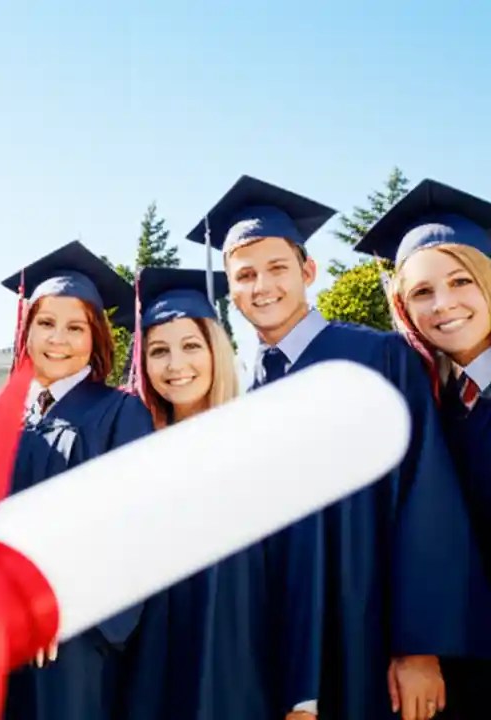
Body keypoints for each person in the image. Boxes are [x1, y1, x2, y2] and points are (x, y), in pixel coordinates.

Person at [186, 174, 476, 720]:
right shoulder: (236, 390)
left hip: (362, 629)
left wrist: (418, 644)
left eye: (277, 268)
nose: (262, 286)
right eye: (244, 275)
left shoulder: (380, 357)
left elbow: (424, 495)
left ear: (308, 271)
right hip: (268, 646)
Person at [124, 267, 320, 720]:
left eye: (191, 346)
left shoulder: (263, 445)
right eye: (159, 351)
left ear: (216, 350)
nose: (176, 366)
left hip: (240, 672)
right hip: (149, 676)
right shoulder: (134, 457)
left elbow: (299, 575)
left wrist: (303, 696)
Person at [0, 240, 151, 720]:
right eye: (45, 324)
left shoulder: (119, 413)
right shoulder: (2, 422)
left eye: (74, 327)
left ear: (96, 337)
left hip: (74, 640)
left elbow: (134, 534)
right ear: (26, 332)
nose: (58, 339)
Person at [357, 178, 491, 720]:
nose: (444, 305)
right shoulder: (432, 407)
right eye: (421, 292)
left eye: (461, 281)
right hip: (460, 671)